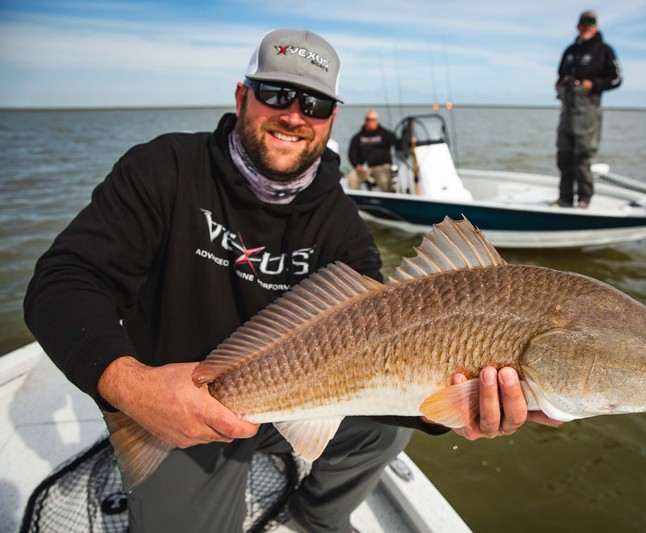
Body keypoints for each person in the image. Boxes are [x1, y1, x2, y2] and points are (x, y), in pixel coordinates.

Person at [24, 29, 558, 533]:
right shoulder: (164, 168)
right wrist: (131, 386)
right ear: (242, 96)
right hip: (182, 402)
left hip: (297, 398)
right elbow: (63, 280)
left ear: (331, 119)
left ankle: (315, 517)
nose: (294, 115)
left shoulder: (342, 226)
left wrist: (456, 411)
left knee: (387, 429)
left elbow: (390, 347)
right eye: (276, 94)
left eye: (315, 104)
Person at [553, 10, 622, 208]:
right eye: (584, 23)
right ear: (578, 26)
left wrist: (592, 84)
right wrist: (560, 83)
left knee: (582, 159)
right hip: (566, 113)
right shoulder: (570, 50)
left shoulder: (604, 50)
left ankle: (584, 200)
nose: (587, 27)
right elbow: (560, 75)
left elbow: (616, 78)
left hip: (588, 114)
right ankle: (565, 199)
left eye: (591, 23)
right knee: (563, 157)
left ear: (596, 26)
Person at [346, 110, 397, 192]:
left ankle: (389, 197)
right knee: (352, 178)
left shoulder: (386, 134)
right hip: (364, 168)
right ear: (365, 121)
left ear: (377, 120)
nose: (371, 122)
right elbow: (352, 153)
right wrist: (357, 164)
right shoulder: (358, 137)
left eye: (373, 119)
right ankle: (355, 199)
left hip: (382, 166)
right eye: (369, 119)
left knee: (384, 181)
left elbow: (397, 144)